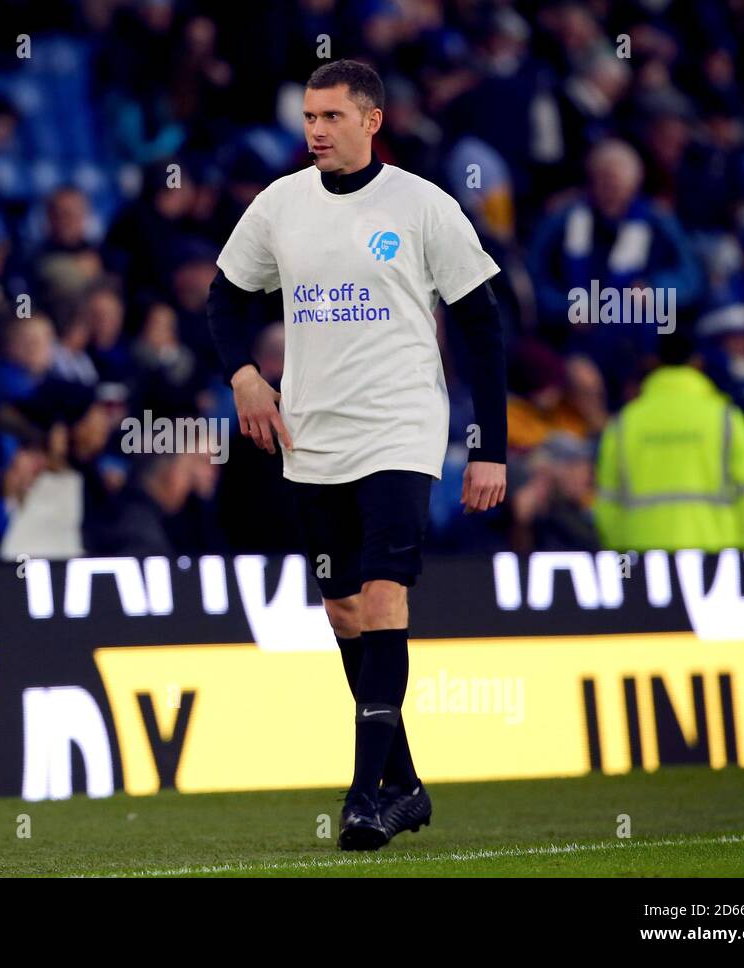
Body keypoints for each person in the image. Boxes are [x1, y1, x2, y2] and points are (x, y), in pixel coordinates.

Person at [207, 60, 508, 850]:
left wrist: (490, 448)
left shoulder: (421, 205)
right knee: (342, 609)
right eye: (309, 116)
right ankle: (406, 784)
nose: (315, 130)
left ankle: (363, 797)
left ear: (372, 121)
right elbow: (224, 295)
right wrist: (244, 374)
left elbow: (483, 325)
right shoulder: (279, 205)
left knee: (381, 598)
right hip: (313, 436)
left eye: (332, 117)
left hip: (401, 429)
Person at [593, 327, 744, 552]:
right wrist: (742, 553)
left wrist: (623, 551)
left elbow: (606, 504)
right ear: (697, 363)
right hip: (715, 561)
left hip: (644, 562)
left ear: (653, 363)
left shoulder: (622, 424)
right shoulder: (726, 418)